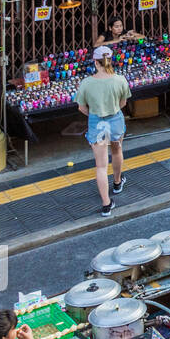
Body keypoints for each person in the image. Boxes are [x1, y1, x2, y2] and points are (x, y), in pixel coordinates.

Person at [73, 45, 132, 217]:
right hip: (115, 120)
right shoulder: (120, 80)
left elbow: (81, 107)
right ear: (110, 60)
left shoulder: (87, 83)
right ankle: (117, 182)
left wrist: (93, 114)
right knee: (117, 150)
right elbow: (123, 103)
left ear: (95, 62)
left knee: (100, 165)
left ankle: (106, 204)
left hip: (97, 122)